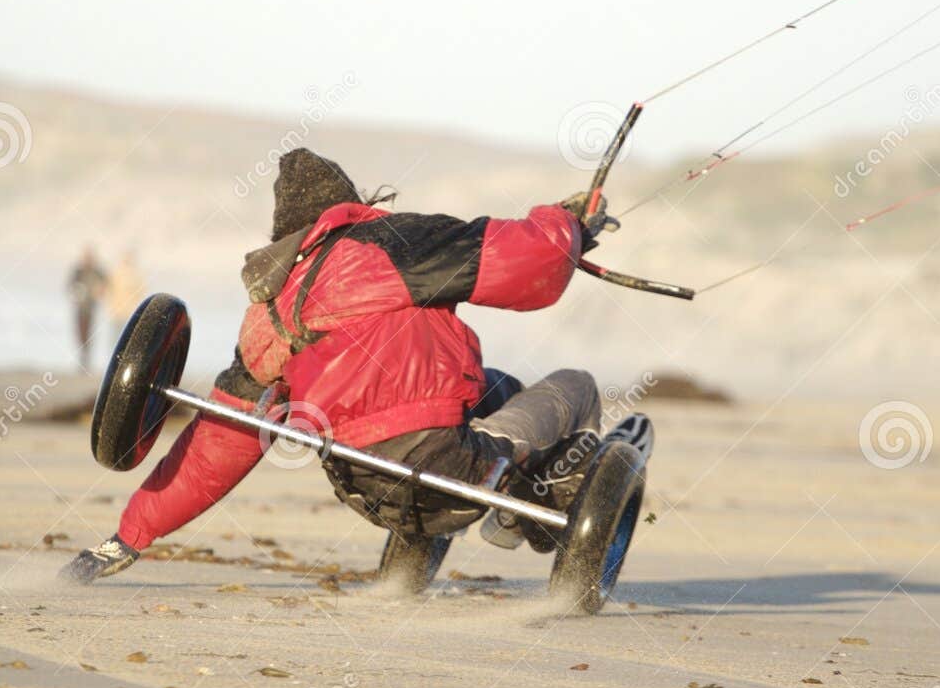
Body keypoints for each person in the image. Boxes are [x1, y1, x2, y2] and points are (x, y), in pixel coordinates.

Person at [61, 149, 644, 583]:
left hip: (366, 492)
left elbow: (220, 443)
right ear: (349, 207)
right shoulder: (392, 242)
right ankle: (525, 510)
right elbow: (531, 264)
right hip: (450, 468)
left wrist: (130, 535)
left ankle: (464, 526)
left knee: (497, 389)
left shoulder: (270, 313)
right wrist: (570, 225)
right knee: (576, 386)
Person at [66, 245, 107, 374]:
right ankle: (82, 359)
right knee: (80, 333)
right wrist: (75, 294)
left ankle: (86, 360)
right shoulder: (78, 271)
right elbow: (70, 286)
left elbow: (105, 283)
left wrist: (99, 291)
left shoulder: (97, 272)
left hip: (91, 308)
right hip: (80, 307)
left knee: (89, 334)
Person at [102, 249, 146, 339]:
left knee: (128, 335)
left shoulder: (135, 274)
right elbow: (108, 290)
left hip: (129, 311)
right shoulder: (116, 273)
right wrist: (110, 305)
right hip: (117, 311)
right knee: (116, 336)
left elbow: (141, 292)